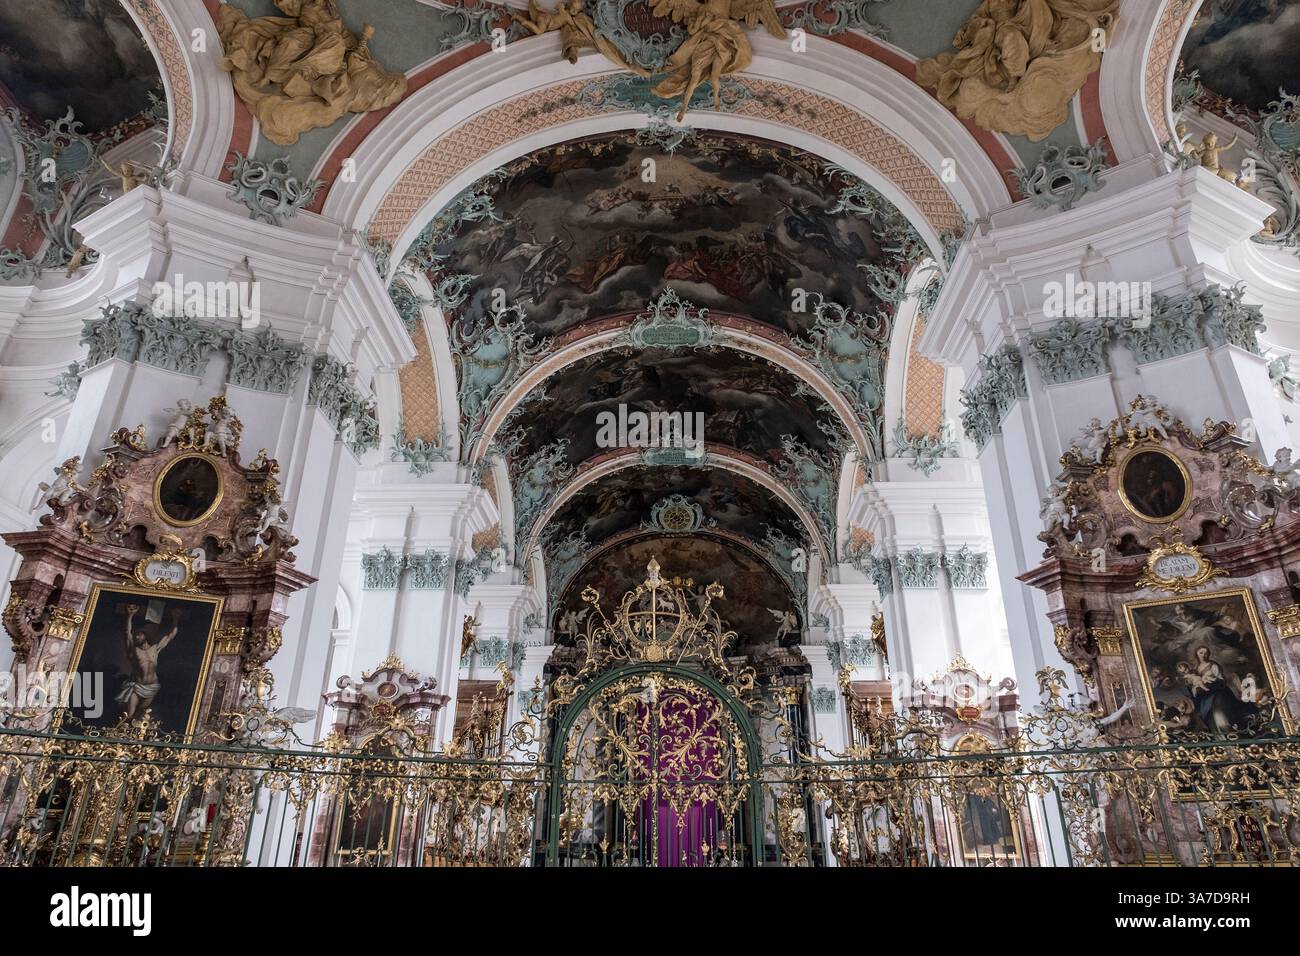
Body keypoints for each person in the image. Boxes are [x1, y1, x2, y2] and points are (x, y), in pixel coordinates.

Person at [116, 606, 181, 720]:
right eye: (135, 635)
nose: (137, 636)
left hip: (152, 687)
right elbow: (127, 633)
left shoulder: (155, 649)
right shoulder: (133, 650)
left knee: (140, 714)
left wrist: (175, 619)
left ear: (145, 636)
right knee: (129, 714)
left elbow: (170, 635)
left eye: (139, 634)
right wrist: (130, 615)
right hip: (137, 687)